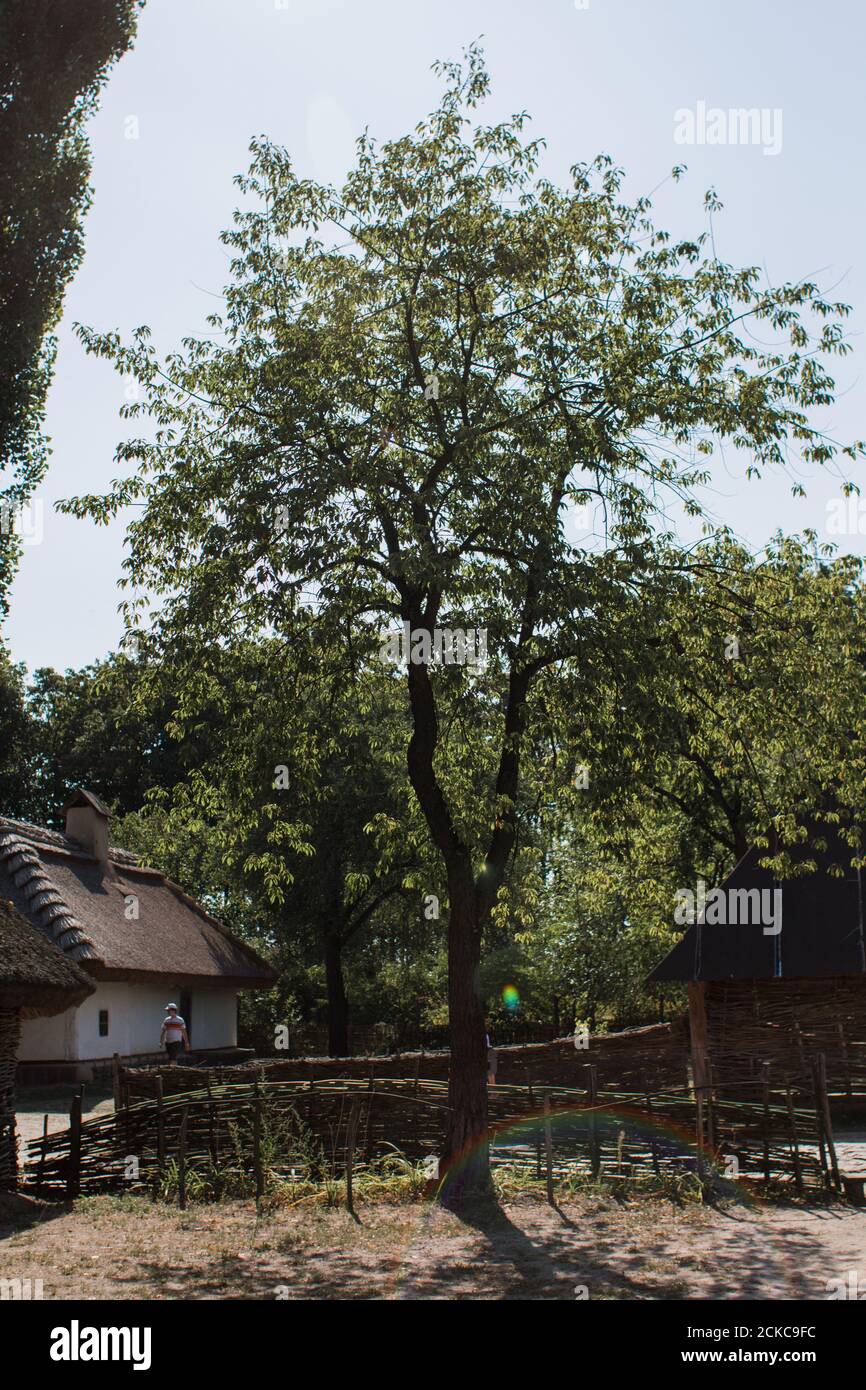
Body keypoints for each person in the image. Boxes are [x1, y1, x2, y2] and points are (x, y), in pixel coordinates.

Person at [485, 1016, 498, 1085]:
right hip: (488, 1052)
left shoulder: (485, 1035)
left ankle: (494, 1091)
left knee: (490, 1072)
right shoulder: (486, 1035)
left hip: (487, 1053)